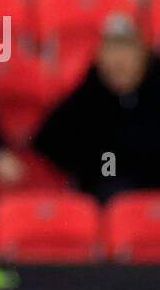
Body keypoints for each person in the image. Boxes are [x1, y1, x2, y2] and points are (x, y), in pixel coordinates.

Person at [33, 15, 160, 200]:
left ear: (143, 55)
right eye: (112, 50)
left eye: (126, 50)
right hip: (110, 190)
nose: (119, 60)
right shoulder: (88, 95)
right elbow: (47, 140)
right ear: (99, 57)